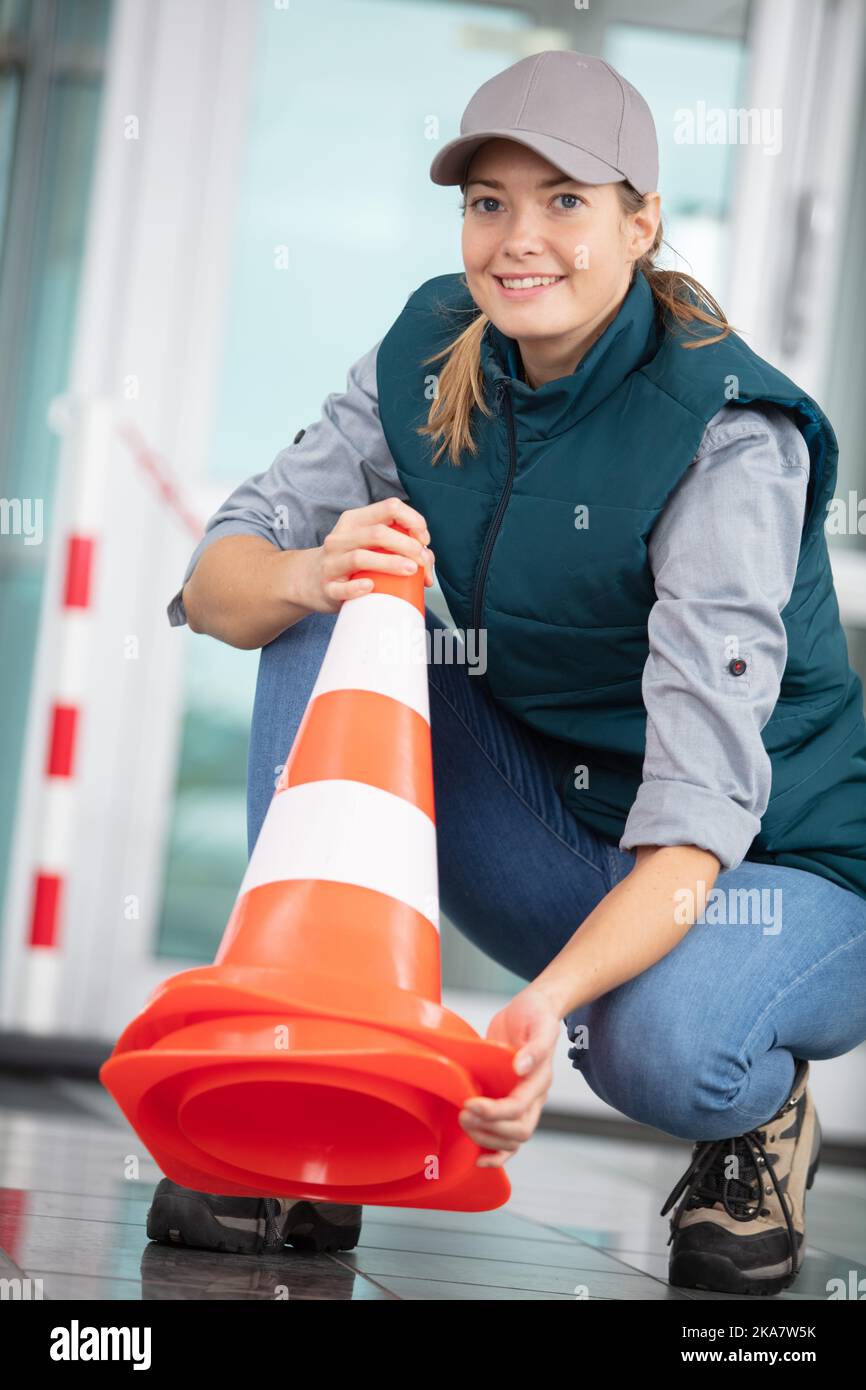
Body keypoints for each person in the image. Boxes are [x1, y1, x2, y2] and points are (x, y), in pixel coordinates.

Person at [149, 50, 866, 1296]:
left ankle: (754, 1122)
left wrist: (541, 1012)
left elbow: (698, 823)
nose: (517, 239)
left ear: (641, 222)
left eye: (565, 200)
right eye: (489, 200)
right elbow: (220, 577)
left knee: (661, 1051)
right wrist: (312, 575)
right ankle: (297, 1067)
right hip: (564, 822)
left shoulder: (724, 434)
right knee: (313, 616)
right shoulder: (431, 349)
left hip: (769, 864)